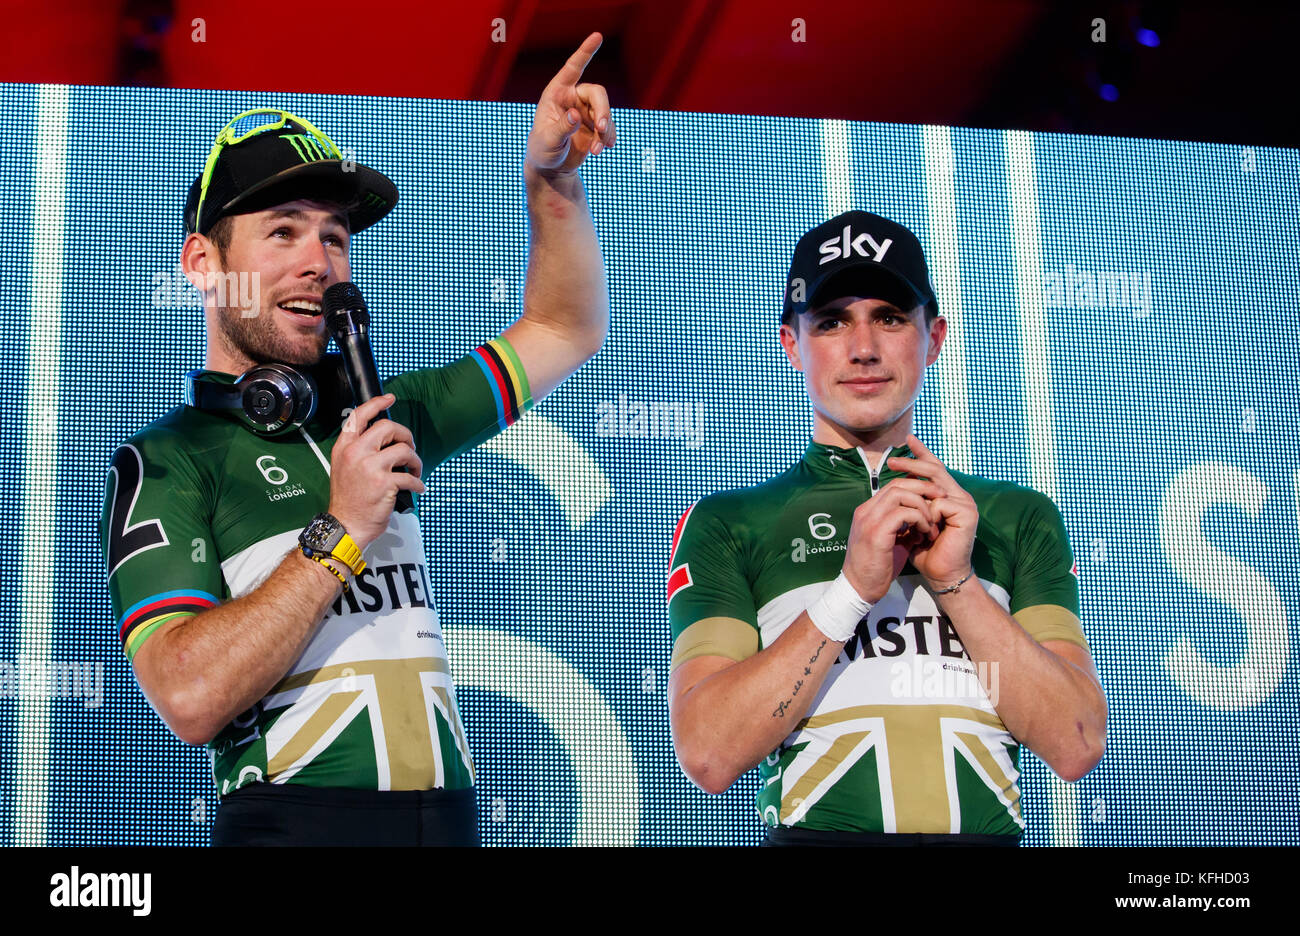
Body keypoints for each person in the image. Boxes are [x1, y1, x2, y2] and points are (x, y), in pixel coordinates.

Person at [100, 33, 616, 846]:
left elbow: (565, 325)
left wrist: (553, 180)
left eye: (335, 237)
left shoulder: (382, 411)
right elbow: (187, 695)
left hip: (448, 822)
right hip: (295, 825)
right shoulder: (168, 458)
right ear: (203, 262)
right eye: (283, 233)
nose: (320, 261)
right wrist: (338, 534)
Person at [667, 210, 1107, 846]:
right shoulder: (730, 522)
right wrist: (850, 592)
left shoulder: (1017, 516)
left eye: (891, 318)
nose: (864, 347)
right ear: (792, 344)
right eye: (833, 321)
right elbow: (708, 753)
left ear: (934, 339)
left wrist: (957, 582)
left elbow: (1075, 744)